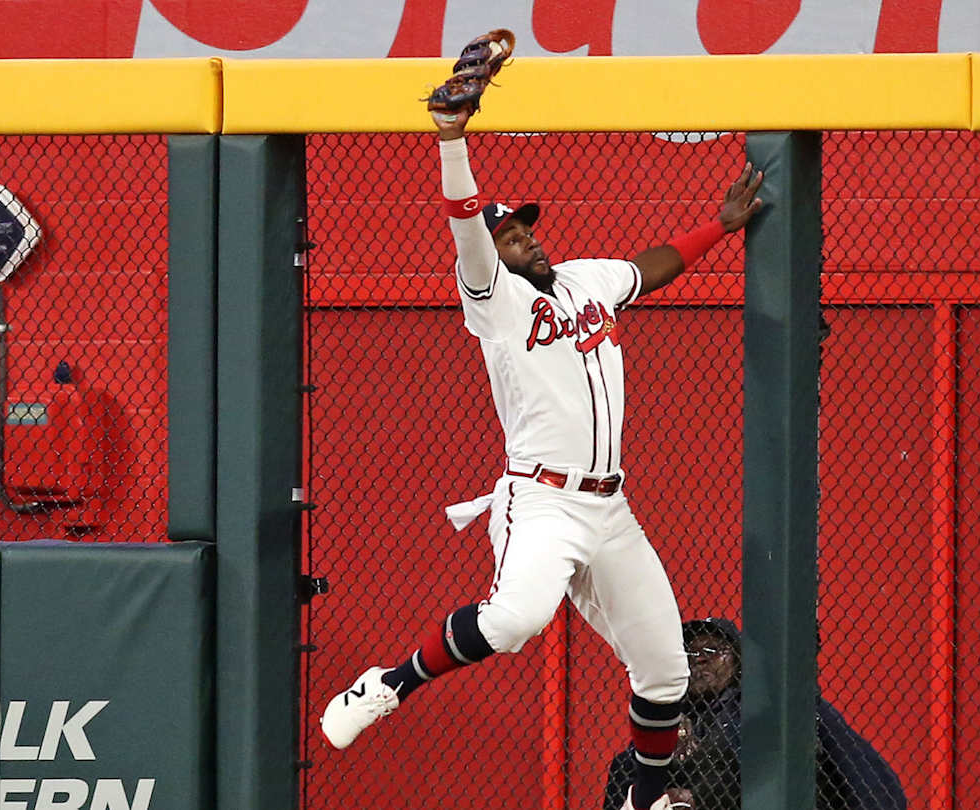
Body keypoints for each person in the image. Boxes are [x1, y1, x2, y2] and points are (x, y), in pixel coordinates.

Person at [319, 100, 764, 810]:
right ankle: (390, 683)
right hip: (543, 500)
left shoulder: (586, 279)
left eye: (526, 228)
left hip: (609, 506)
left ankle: (644, 800)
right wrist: (451, 140)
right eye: (509, 236)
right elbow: (467, 222)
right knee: (515, 621)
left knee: (665, 672)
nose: (523, 239)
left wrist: (720, 226)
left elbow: (651, 269)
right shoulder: (493, 304)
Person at [603, 618, 908, 810]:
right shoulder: (676, 711)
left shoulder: (756, 705)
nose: (700, 662)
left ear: (735, 660)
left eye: (711, 652)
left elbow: (754, 764)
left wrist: (694, 793)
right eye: (691, 654)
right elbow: (628, 768)